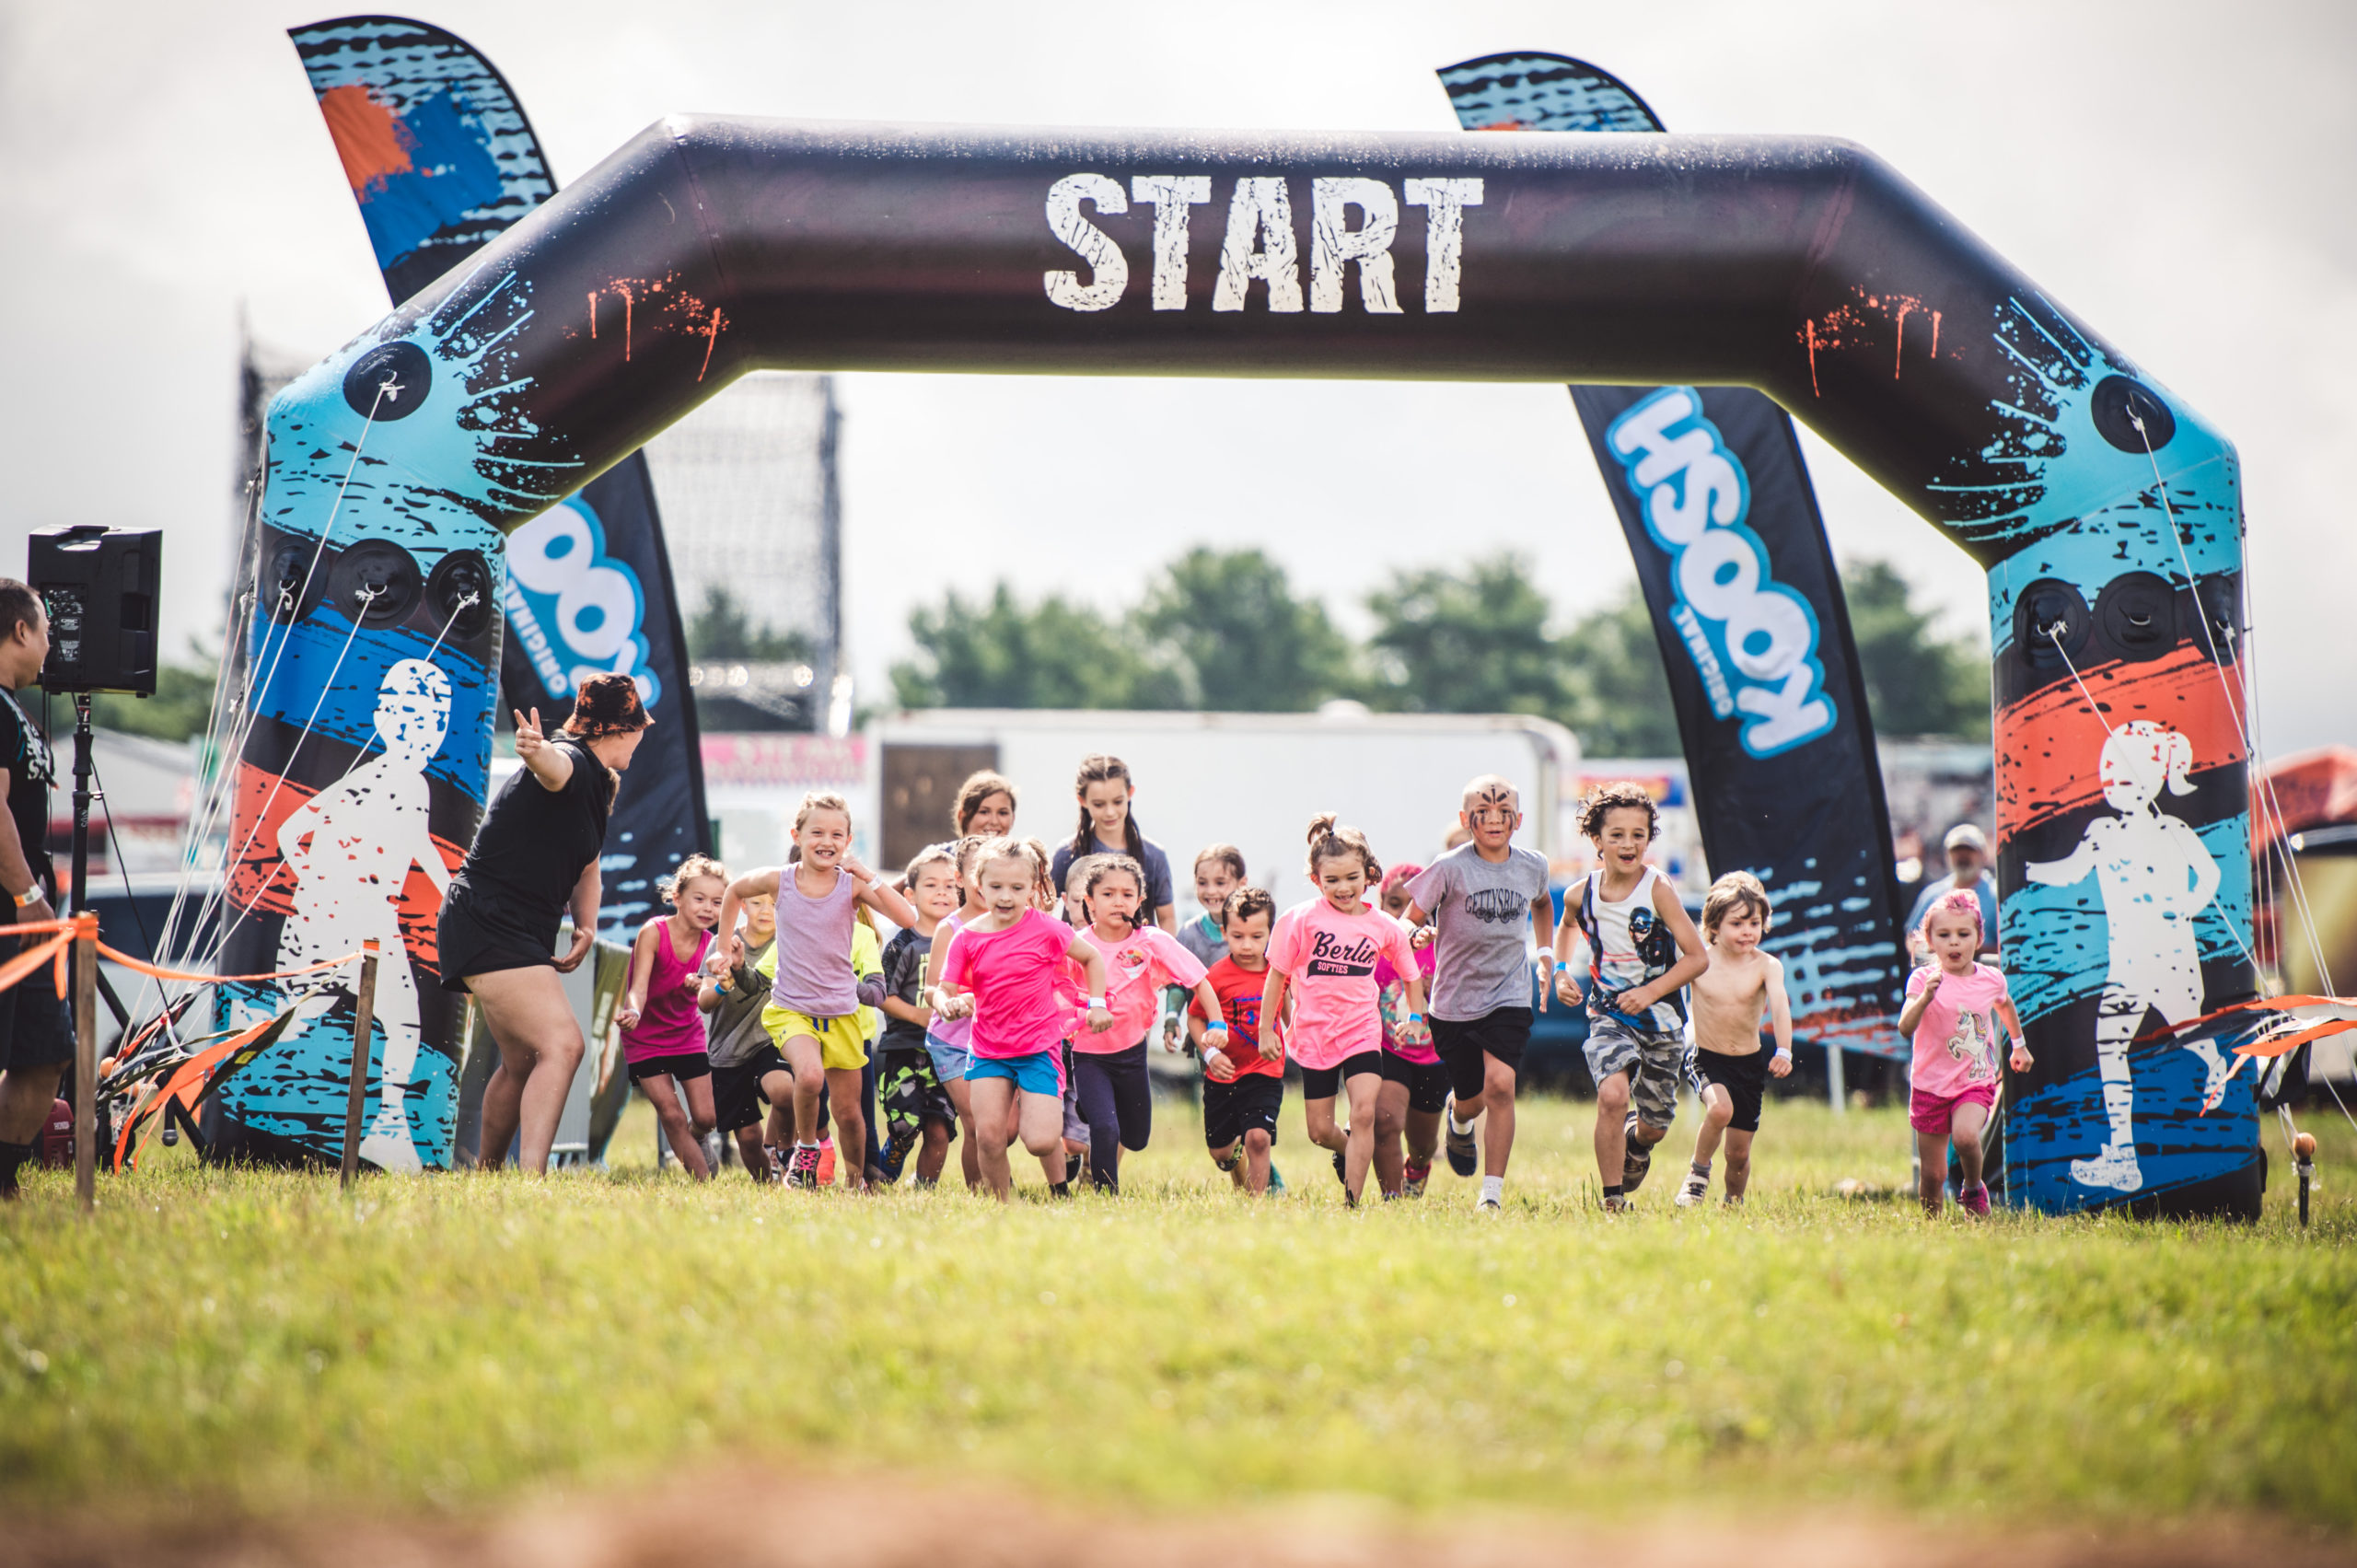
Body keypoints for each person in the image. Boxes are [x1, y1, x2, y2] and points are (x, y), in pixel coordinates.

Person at [441, 675, 646, 1174]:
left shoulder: (599, 784)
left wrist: (586, 927)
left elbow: (589, 866)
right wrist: (533, 752)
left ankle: (488, 1174)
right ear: (617, 728)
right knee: (563, 1044)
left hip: (509, 927)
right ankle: (531, 1178)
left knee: (524, 1061)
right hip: (488, 922)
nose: (642, 737)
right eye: (638, 728)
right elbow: (553, 769)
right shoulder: (573, 759)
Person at [713, 792, 918, 1191]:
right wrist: (723, 949)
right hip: (792, 1009)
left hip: (841, 1012)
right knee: (807, 1077)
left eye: (837, 834)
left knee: (849, 1114)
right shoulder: (780, 881)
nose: (827, 841)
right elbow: (734, 889)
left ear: (848, 841)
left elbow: (907, 917)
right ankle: (806, 1151)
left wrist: (866, 874)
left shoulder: (850, 887)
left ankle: (857, 1180)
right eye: (817, 832)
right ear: (797, 835)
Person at [1402, 775, 1556, 1213]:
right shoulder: (1450, 866)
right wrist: (1416, 934)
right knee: (1471, 1099)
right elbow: (1407, 919)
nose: (1493, 819)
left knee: (1501, 1086)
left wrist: (1544, 953)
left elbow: (1543, 902)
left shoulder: (1533, 865)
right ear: (1464, 819)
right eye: (1482, 812)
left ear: (1518, 819)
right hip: (1453, 1002)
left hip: (1509, 993)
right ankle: (1459, 1119)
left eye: (1503, 812)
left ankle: (1491, 1196)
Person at [930, 838, 1113, 1202]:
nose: (1006, 896)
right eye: (996, 887)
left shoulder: (1046, 928)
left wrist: (1096, 1003)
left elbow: (1092, 958)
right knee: (990, 1136)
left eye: (1017, 888)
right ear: (978, 884)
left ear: (1033, 887)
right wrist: (945, 1003)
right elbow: (939, 989)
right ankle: (1003, 1205)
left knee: (1041, 1140)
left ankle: (1059, 1189)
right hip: (988, 1050)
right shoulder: (966, 937)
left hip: (1038, 1049)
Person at [1554, 781, 1708, 1213]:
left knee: (1655, 1125)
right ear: (1596, 840)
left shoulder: (1657, 889)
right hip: (1609, 1013)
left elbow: (1697, 958)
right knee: (1612, 1096)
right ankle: (1612, 1199)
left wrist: (1650, 992)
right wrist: (1564, 972)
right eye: (1616, 834)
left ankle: (1637, 1145)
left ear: (1648, 839)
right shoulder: (1581, 893)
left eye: (1638, 835)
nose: (1628, 843)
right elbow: (1567, 924)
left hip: (1660, 1020)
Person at [1266, 814, 1422, 1208]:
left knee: (1365, 1112)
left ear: (1368, 875)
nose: (1343, 887)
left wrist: (1416, 1016)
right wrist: (1267, 1028)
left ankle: (1352, 1204)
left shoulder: (1383, 925)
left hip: (1362, 1032)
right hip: (1315, 1033)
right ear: (1316, 879)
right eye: (1331, 880)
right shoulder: (1300, 920)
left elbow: (1410, 972)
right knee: (1319, 1130)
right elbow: (1277, 977)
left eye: (1352, 877)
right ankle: (1347, 1146)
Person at [1067, 854, 1224, 1192]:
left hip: (1132, 1054)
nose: (1117, 901)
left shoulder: (1151, 941)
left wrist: (1217, 1023)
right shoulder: (1077, 945)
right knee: (1106, 1129)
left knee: (1136, 1138)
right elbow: (1056, 992)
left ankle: (1089, 1107)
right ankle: (1106, 1196)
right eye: (1107, 894)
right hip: (1088, 1054)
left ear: (1140, 901)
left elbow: (1199, 979)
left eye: (1126, 894)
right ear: (1089, 902)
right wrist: (1073, 1020)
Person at [1899, 889, 2031, 1215]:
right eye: (1944, 935)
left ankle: (1973, 1188)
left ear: (1978, 938)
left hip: (1975, 1081)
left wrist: (2019, 1045)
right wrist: (1924, 999)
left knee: (1965, 1136)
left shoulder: (1990, 979)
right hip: (1930, 1085)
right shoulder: (1921, 981)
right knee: (1932, 1175)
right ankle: (1932, 1228)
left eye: (1963, 934)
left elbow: (2005, 1005)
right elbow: (1905, 1027)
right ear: (1930, 941)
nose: (1954, 942)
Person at [0, 584, 66, 1200]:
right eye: (45, 628)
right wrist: (26, 896)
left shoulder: (14, 706)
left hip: (30, 912)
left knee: (46, 1051)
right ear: (20, 631)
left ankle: (4, 1178)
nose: (51, 643)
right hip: (11, 910)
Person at [1674, 873, 1793, 1208]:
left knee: (1738, 1154)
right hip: (1706, 1057)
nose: (1747, 931)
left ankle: (1733, 1204)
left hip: (1748, 1064)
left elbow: (1781, 1007)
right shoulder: (1700, 961)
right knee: (1720, 1109)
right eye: (1737, 923)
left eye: (1754, 923)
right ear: (1713, 927)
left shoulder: (1767, 966)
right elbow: (1666, 987)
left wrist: (1784, 1049)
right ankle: (1697, 1176)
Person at [614, 854, 726, 1179]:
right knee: (672, 1114)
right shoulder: (654, 932)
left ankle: (700, 1137)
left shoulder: (711, 945)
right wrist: (633, 1010)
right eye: (700, 899)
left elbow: (707, 994)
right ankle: (704, 1182)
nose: (708, 908)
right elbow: (638, 988)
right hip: (644, 1038)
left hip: (686, 1034)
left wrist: (700, 986)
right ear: (677, 898)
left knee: (706, 1117)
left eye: (717, 902)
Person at [1189, 886, 1286, 1196]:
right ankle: (1236, 1165)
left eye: (1257, 937)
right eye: (1237, 936)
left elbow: (1291, 1010)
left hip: (1265, 1070)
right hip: (1224, 1073)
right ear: (1224, 931)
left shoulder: (1279, 972)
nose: (1247, 945)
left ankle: (1257, 1205)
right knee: (1221, 1153)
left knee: (1258, 1138)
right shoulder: (1215, 976)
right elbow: (1195, 1017)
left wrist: (1296, 1038)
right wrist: (1210, 1053)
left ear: (1271, 932)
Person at [877, 847, 962, 1185]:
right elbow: (881, 994)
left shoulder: (964, 941)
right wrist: (918, 1015)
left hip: (950, 1049)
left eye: (950, 885)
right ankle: (888, 1162)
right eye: (931, 885)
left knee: (939, 1130)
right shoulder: (903, 945)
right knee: (905, 1124)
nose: (942, 892)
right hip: (905, 1047)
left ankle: (925, 1190)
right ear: (910, 895)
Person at [699, 885, 784, 1181]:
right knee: (748, 1137)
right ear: (742, 905)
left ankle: (784, 1157)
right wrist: (723, 985)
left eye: (773, 904)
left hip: (772, 1040)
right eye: (757, 903)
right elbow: (704, 1002)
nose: (765, 910)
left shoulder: (788, 942)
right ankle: (767, 1184)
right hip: (728, 1050)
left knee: (784, 1091)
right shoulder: (722, 943)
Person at [923, 835, 993, 1191]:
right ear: (959, 877)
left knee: (1000, 1130)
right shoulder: (949, 928)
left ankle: (997, 1186)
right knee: (976, 1123)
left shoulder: (1017, 925)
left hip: (1000, 1039)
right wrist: (947, 1003)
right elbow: (932, 987)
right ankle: (981, 1194)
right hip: (951, 1040)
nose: (985, 881)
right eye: (975, 872)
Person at [1372, 862, 1444, 1200]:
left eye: (1412, 905)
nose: (1403, 914)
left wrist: (1434, 988)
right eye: (1394, 904)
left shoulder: (1441, 947)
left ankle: (1417, 1168)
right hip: (1390, 1049)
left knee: (1423, 1143)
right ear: (1381, 904)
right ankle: (1392, 1198)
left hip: (1434, 1055)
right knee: (1384, 1122)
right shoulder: (1373, 949)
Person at [1048, 755, 1176, 932]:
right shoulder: (1067, 853)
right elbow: (1044, 911)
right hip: (1077, 956)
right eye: (1099, 804)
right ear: (1082, 801)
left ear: (1130, 793)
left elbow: (1167, 918)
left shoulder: (1153, 855)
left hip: (1135, 956)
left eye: (1117, 802)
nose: (1110, 812)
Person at [1906, 823, 2000, 957]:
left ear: (1983, 855)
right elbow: (1911, 938)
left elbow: (2011, 946)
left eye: (1969, 851)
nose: (1963, 856)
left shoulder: (1997, 896)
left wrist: (1970, 950)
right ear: (1947, 856)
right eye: (1957, 851)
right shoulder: (1932, 894)